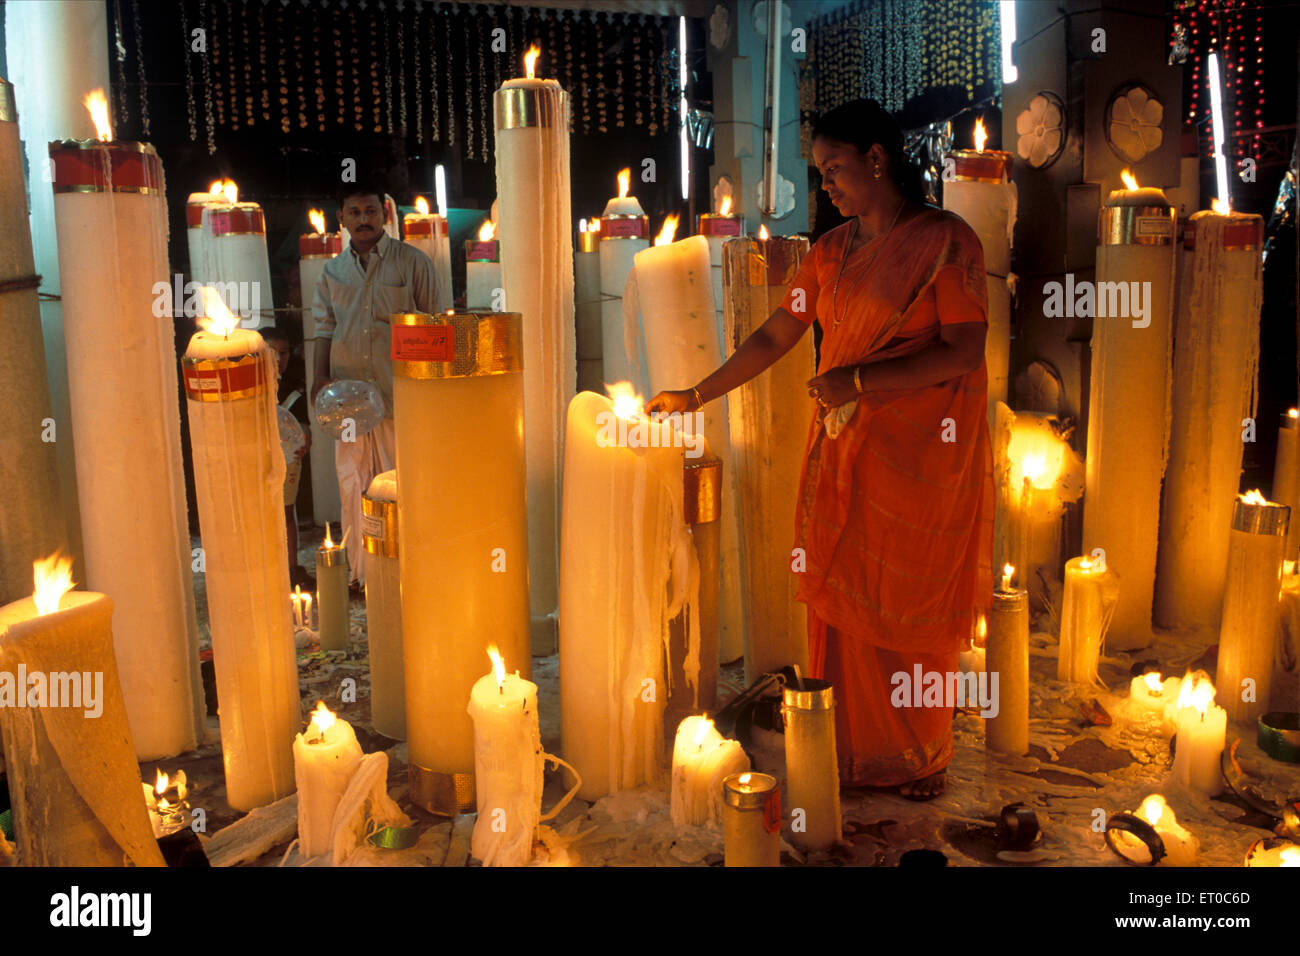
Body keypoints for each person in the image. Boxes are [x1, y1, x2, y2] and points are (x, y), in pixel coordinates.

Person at [646, 98, 993, 800]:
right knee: (844, 599)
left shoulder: (947, 242)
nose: (826, 185)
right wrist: (695, 394)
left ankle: (920, 752)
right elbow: (776, 335)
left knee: (908, 601)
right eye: (819, 172)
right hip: (846, 451)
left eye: (835, 168)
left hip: (921, 458)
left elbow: (963, 350)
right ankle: (853, 750)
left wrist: (859, 377)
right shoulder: (832, 253)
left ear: (877, 158)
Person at [311, 181, 442, 588]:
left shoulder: (412, 263)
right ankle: (362, 574)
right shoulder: (332, 271)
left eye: (370, 211)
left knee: (400, 480)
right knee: (353, 482)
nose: (363, 220)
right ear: (342, 219)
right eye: (354, 212)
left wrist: (431, 393)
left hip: (398, 394)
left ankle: (408, 570)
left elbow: (436, 326)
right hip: (348, 398)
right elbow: (325, 327)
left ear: (385, 214)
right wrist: (318, 377)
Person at [263, 322, 314, 590]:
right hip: (259, 459)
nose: (279, 359)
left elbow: (303, 424)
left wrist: (305, 436)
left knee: (285, 512)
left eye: (284, 353)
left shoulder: (293, 388)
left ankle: (291, 568)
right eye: (272, 353)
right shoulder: (251, 387)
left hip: (288, 457)